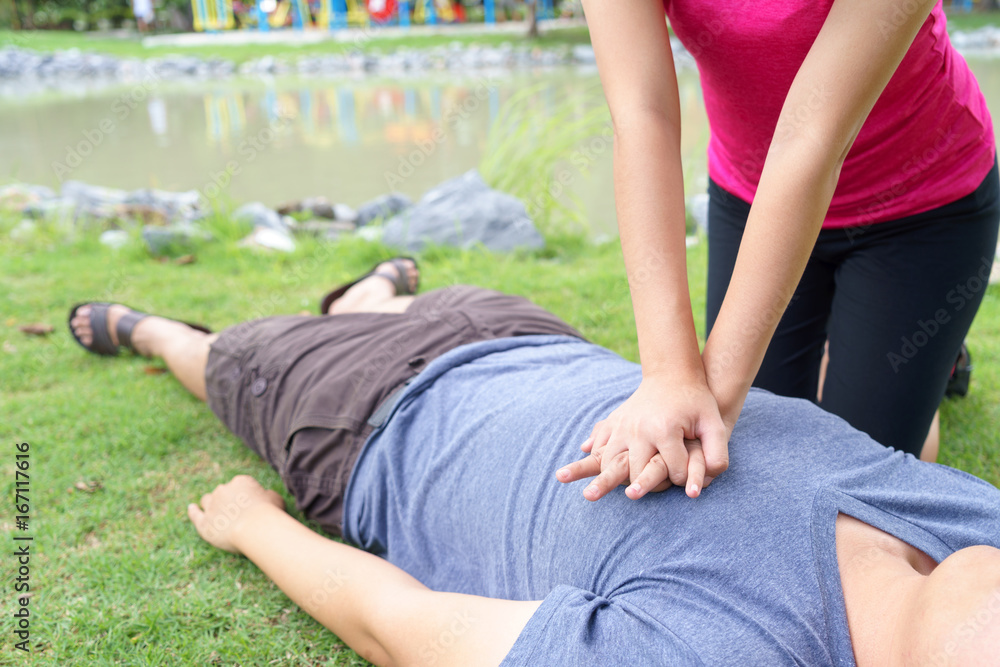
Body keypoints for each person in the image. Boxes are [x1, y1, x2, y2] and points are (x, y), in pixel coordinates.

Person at [68, 262, 1000, 665]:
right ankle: (375, 292)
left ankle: (148, 329)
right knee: (376, 311)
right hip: (529, 337)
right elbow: (888, 442)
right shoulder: (971, 528)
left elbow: (406, 628)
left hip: (369, 418)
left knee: (231, 356)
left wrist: (253, 526)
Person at [578, 0, 1000, 497]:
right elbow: (642, 114)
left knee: (852, 469)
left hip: (916, 202)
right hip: (752, 195)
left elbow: (812, 134)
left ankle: (932, 366)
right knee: (748, 452)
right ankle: (852, 348)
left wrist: (710, 406)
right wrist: (669, 375)